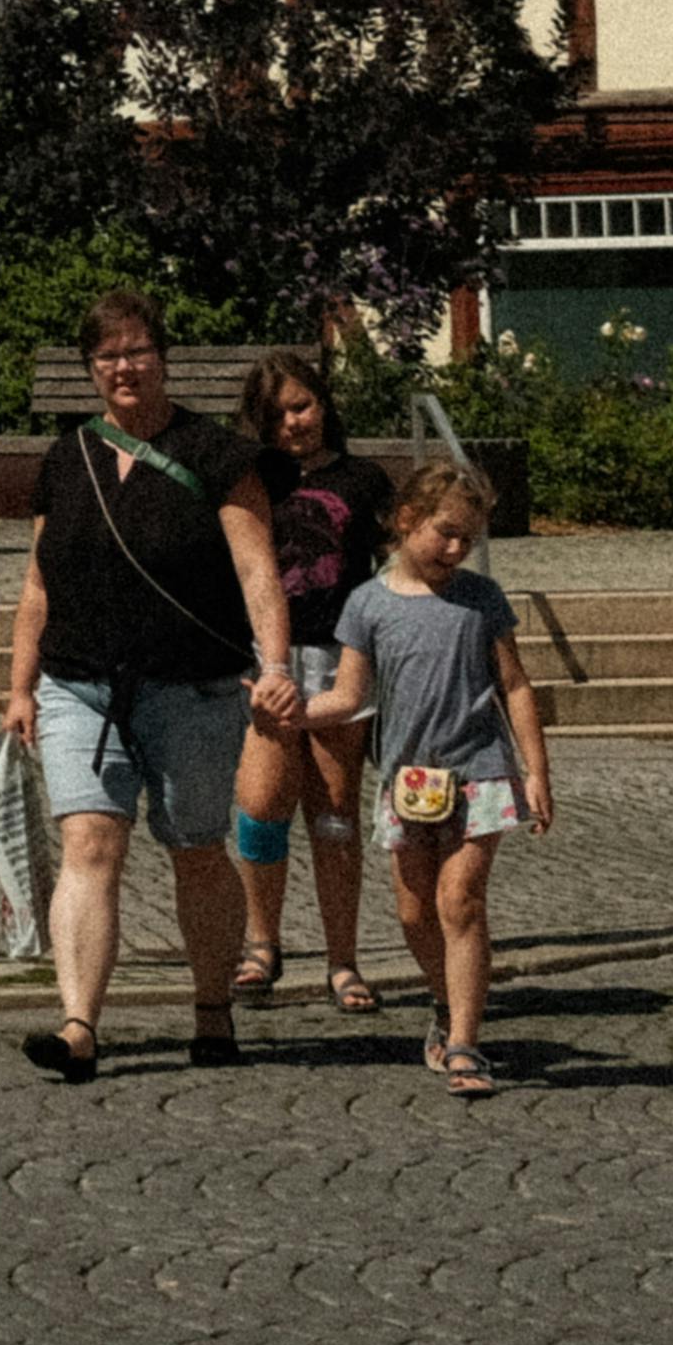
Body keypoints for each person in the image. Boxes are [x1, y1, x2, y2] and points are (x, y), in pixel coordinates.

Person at [5, 292, 298, 1083]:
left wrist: (275, 669)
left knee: (196, 847)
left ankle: (211, 1006)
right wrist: (21, 684)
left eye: (137, 352)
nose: (123, 368)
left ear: (163, 358)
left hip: (192, 688)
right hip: (79, 685)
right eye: (107, 357)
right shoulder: (68, 458)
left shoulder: (215, 455)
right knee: (89, 845)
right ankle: (77, 1026)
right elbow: (38, 584)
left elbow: (256, 571)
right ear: (90, 372)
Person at [330, 462, 549, 1092]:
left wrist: (535, 771)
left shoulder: (481, 599)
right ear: (406, 521)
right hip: (407, 784)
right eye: (445, 533)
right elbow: (347, 696)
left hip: (479, 772)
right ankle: (446, 1000)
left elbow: (515, 684)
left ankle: (464, 1045)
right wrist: (288, 706)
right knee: (413, 911)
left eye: (468, 539)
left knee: (461, 901)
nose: (457, 550)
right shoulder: (368, 603)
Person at [226, 349, 398, 1012]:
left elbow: (395, 567)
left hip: (339, 659)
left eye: (303, 405)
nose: (295, 422)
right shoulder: (251, 479)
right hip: (268, 661)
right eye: (278, 415)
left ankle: (343, 961)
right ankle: (262, 942)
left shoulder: (363, 479)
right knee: (263, 806)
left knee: (334, 813)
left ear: (323, 402)